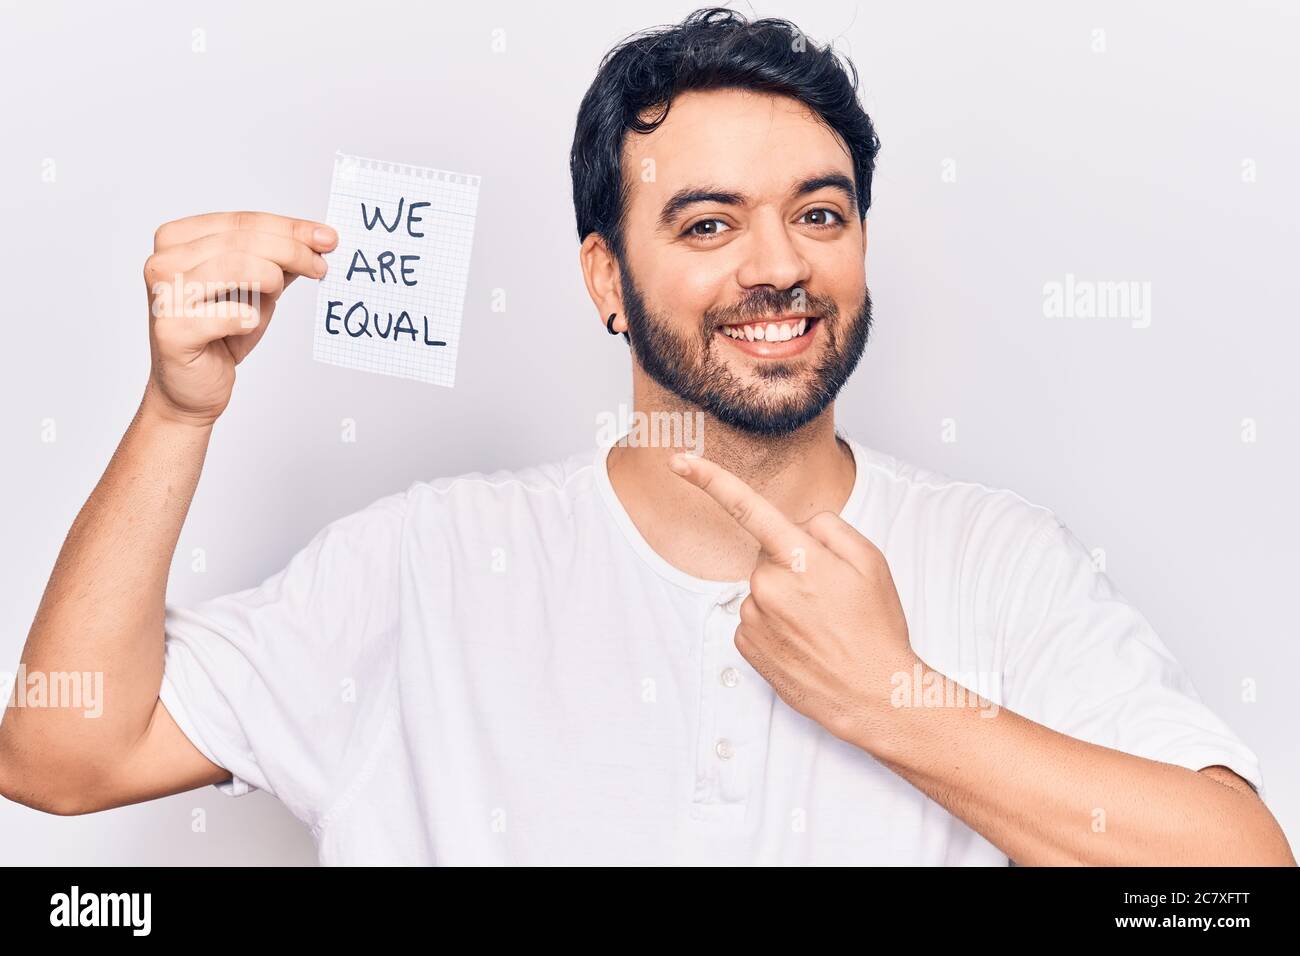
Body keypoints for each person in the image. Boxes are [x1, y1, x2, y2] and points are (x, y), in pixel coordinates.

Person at [0, 7, 1292, 866]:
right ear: (604, 278)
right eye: (709, 224)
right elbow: (64, 755)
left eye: (822, 215)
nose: (780, 268)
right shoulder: (428, 561)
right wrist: (179, 412)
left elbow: (1238, 873)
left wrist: (893, 702)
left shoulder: (998, 558)